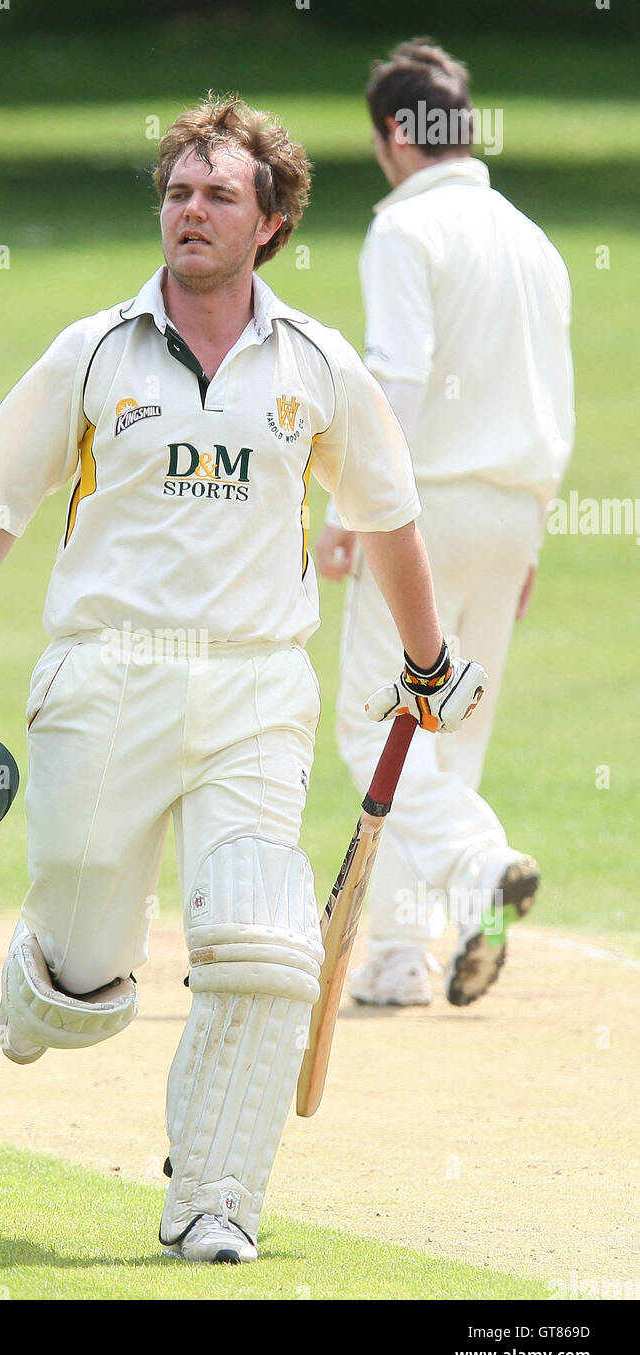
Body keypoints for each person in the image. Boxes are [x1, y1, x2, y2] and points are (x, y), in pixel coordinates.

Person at [0, 96, 486, 1263]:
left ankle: (214, 1202)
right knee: (86, 978)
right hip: (106, 675)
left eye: (218, 195)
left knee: (260, 946)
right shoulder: (92, 349)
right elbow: (0, 492)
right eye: (178, 193)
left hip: (254, 687)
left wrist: (427, 658)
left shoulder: (318, 365)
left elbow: (387, 518)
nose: (190, 211)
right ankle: (46, 980)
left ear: (270, 220)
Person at [316, 40, 574, 1009]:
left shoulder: (404, 228)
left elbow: (400, 377)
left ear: (393, 133)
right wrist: (534, 534)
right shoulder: (530, 238)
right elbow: (560, 396)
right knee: (444, 728)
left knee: (373, 720)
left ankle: (477, 867)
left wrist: (357, 506)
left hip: (424, 509)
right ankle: (396, 954)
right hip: (512, 506)